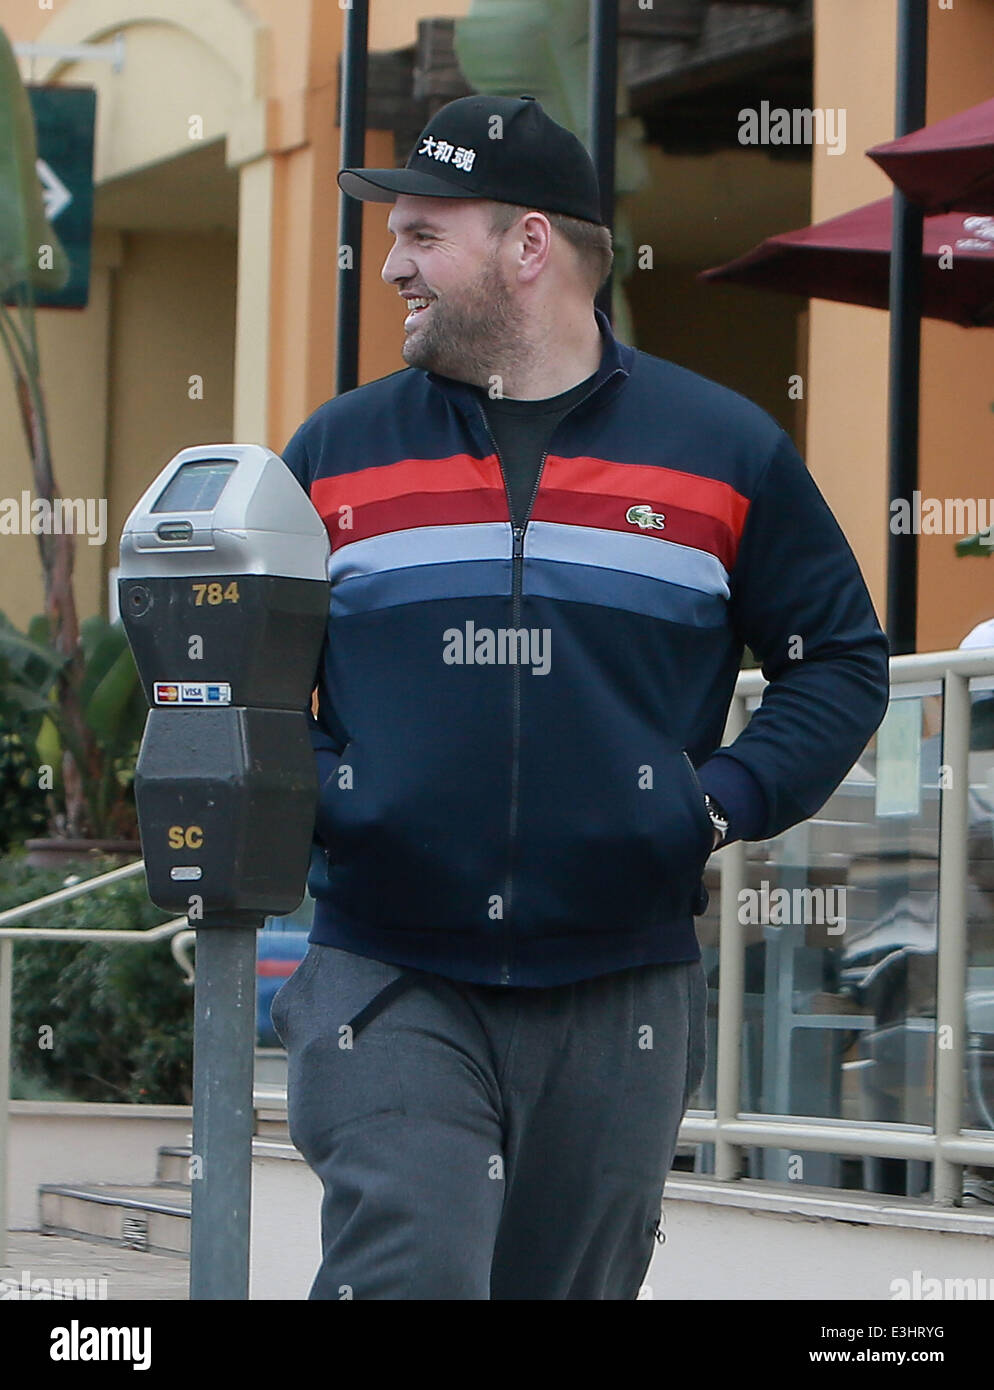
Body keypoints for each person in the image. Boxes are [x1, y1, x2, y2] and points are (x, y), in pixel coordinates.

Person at [272, 94, 891, 1300]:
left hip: (621, 990)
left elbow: (838, 659)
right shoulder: (335, 455)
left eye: (422, 235)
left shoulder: (723, 451)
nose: (390, 266)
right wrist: (336, 790)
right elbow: (236, 681)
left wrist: (714, 801)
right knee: (411, 1268)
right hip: (388, 973)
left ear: (528, 245)